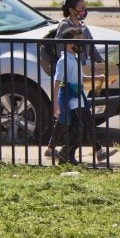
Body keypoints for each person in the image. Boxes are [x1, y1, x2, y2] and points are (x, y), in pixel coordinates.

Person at [45, 0, 117, 162]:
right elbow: (59, 48)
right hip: (71, 79)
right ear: (71, 10)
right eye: (81, 8)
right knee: (77, 121)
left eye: (85, 8)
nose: (84, 11)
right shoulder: (65, 28)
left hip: (81, 72)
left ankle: (67, 152)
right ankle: (63, 151)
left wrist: (103, 65)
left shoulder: (83, 27)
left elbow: (91, 47)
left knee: (80, 120)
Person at [51, 22, 90, 165]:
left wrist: (99, 79)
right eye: (78, 41)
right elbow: (57, 81)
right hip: (70, 97)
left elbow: (81, 78)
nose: (80, 44)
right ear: (68, 43)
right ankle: (65, 153)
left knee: (82, 127)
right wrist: (55, 103)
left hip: (78, 97)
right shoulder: (64, 60)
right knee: (79, 127)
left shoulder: (75, 59)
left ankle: (67, 154)